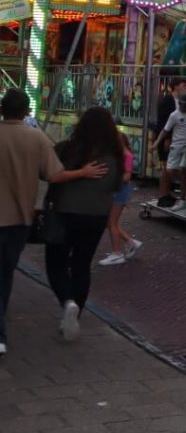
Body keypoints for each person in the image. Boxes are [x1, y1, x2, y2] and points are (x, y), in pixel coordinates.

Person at [0, 90, 108, 355]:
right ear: (26, 111)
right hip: (17, 217)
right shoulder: (36, 138)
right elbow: (55, 175)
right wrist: (83, 173)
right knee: (3, 274)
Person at [46, 107, 128, 341]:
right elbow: (116, 187)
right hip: (96, 216)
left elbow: (50, 174)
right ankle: (75, 314)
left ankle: (67, 302)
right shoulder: (115, 157)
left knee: (55, 262)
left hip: (65, 212)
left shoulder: (68, 149)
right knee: (82, 264)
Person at [98, 131, 144, 265]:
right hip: (119, 191)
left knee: (111, 222)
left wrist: (112, 180)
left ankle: (117, 253)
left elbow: (127, 176)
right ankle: (131, 242)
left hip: (119, 191)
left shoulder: (125, 155)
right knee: (111, 222)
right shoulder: (121, 155)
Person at [155, 76, 186, 207]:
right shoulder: (167, 101)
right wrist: (166, 139)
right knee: (168, 168)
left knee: (174, 168)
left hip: (178, 140)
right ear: (175, 87)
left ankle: (169, 193)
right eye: (183, 85)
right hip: (168, 139)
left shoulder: (181, 102)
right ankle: (164, 194)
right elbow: (163, 123)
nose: (185, 88)